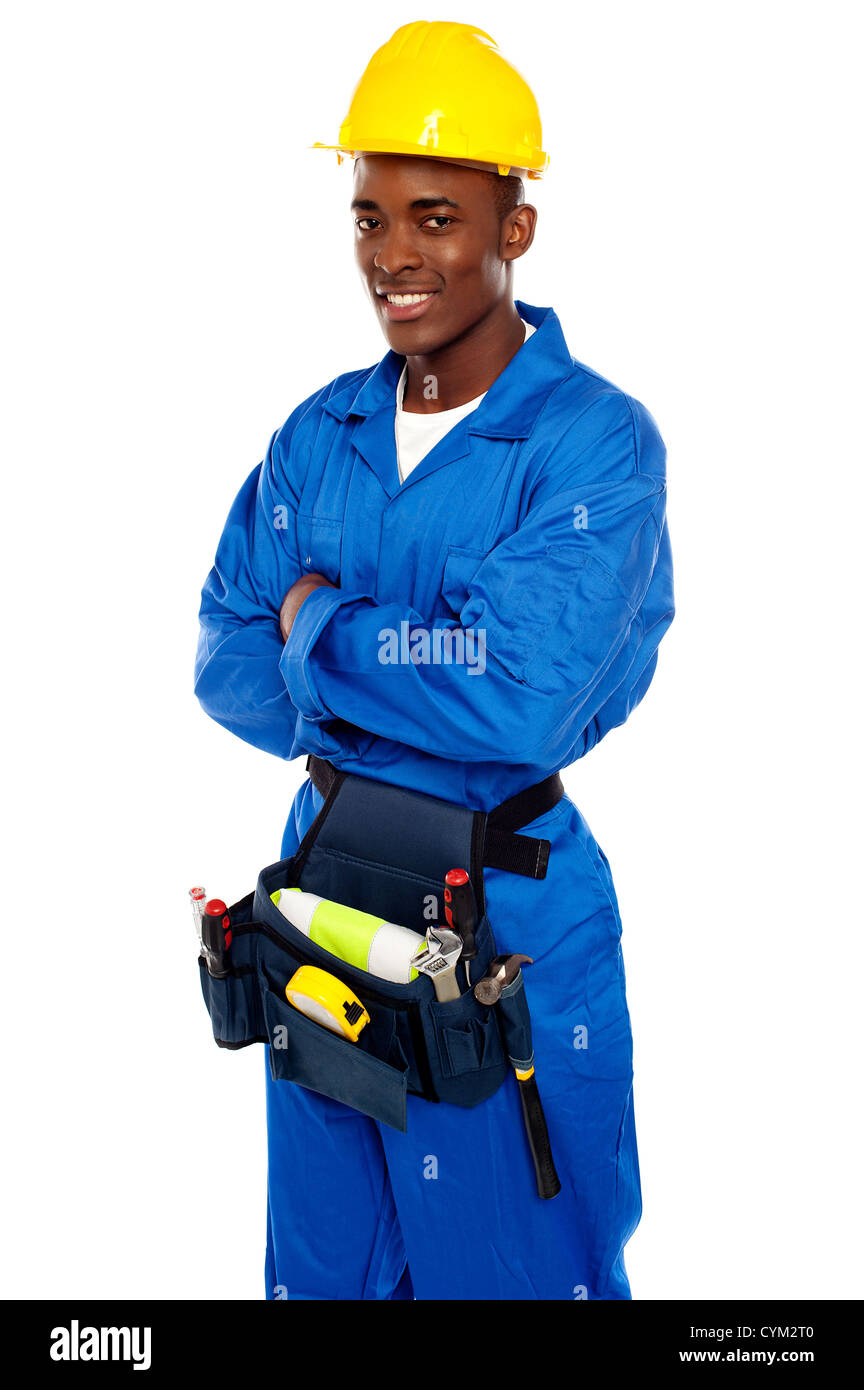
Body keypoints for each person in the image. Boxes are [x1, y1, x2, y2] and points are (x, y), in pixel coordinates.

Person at [195, 20, 674, 1300]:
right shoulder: (318, 433)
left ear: (513, 229)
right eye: (367, 218)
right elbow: (223, 665)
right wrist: (424, 661)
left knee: (518, 1274)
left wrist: (319, 626)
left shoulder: (592, 448)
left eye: (434, 215)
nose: (393, 257)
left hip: (507, 915)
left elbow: (523, 694)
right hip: (324, 908)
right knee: (325, 1274)